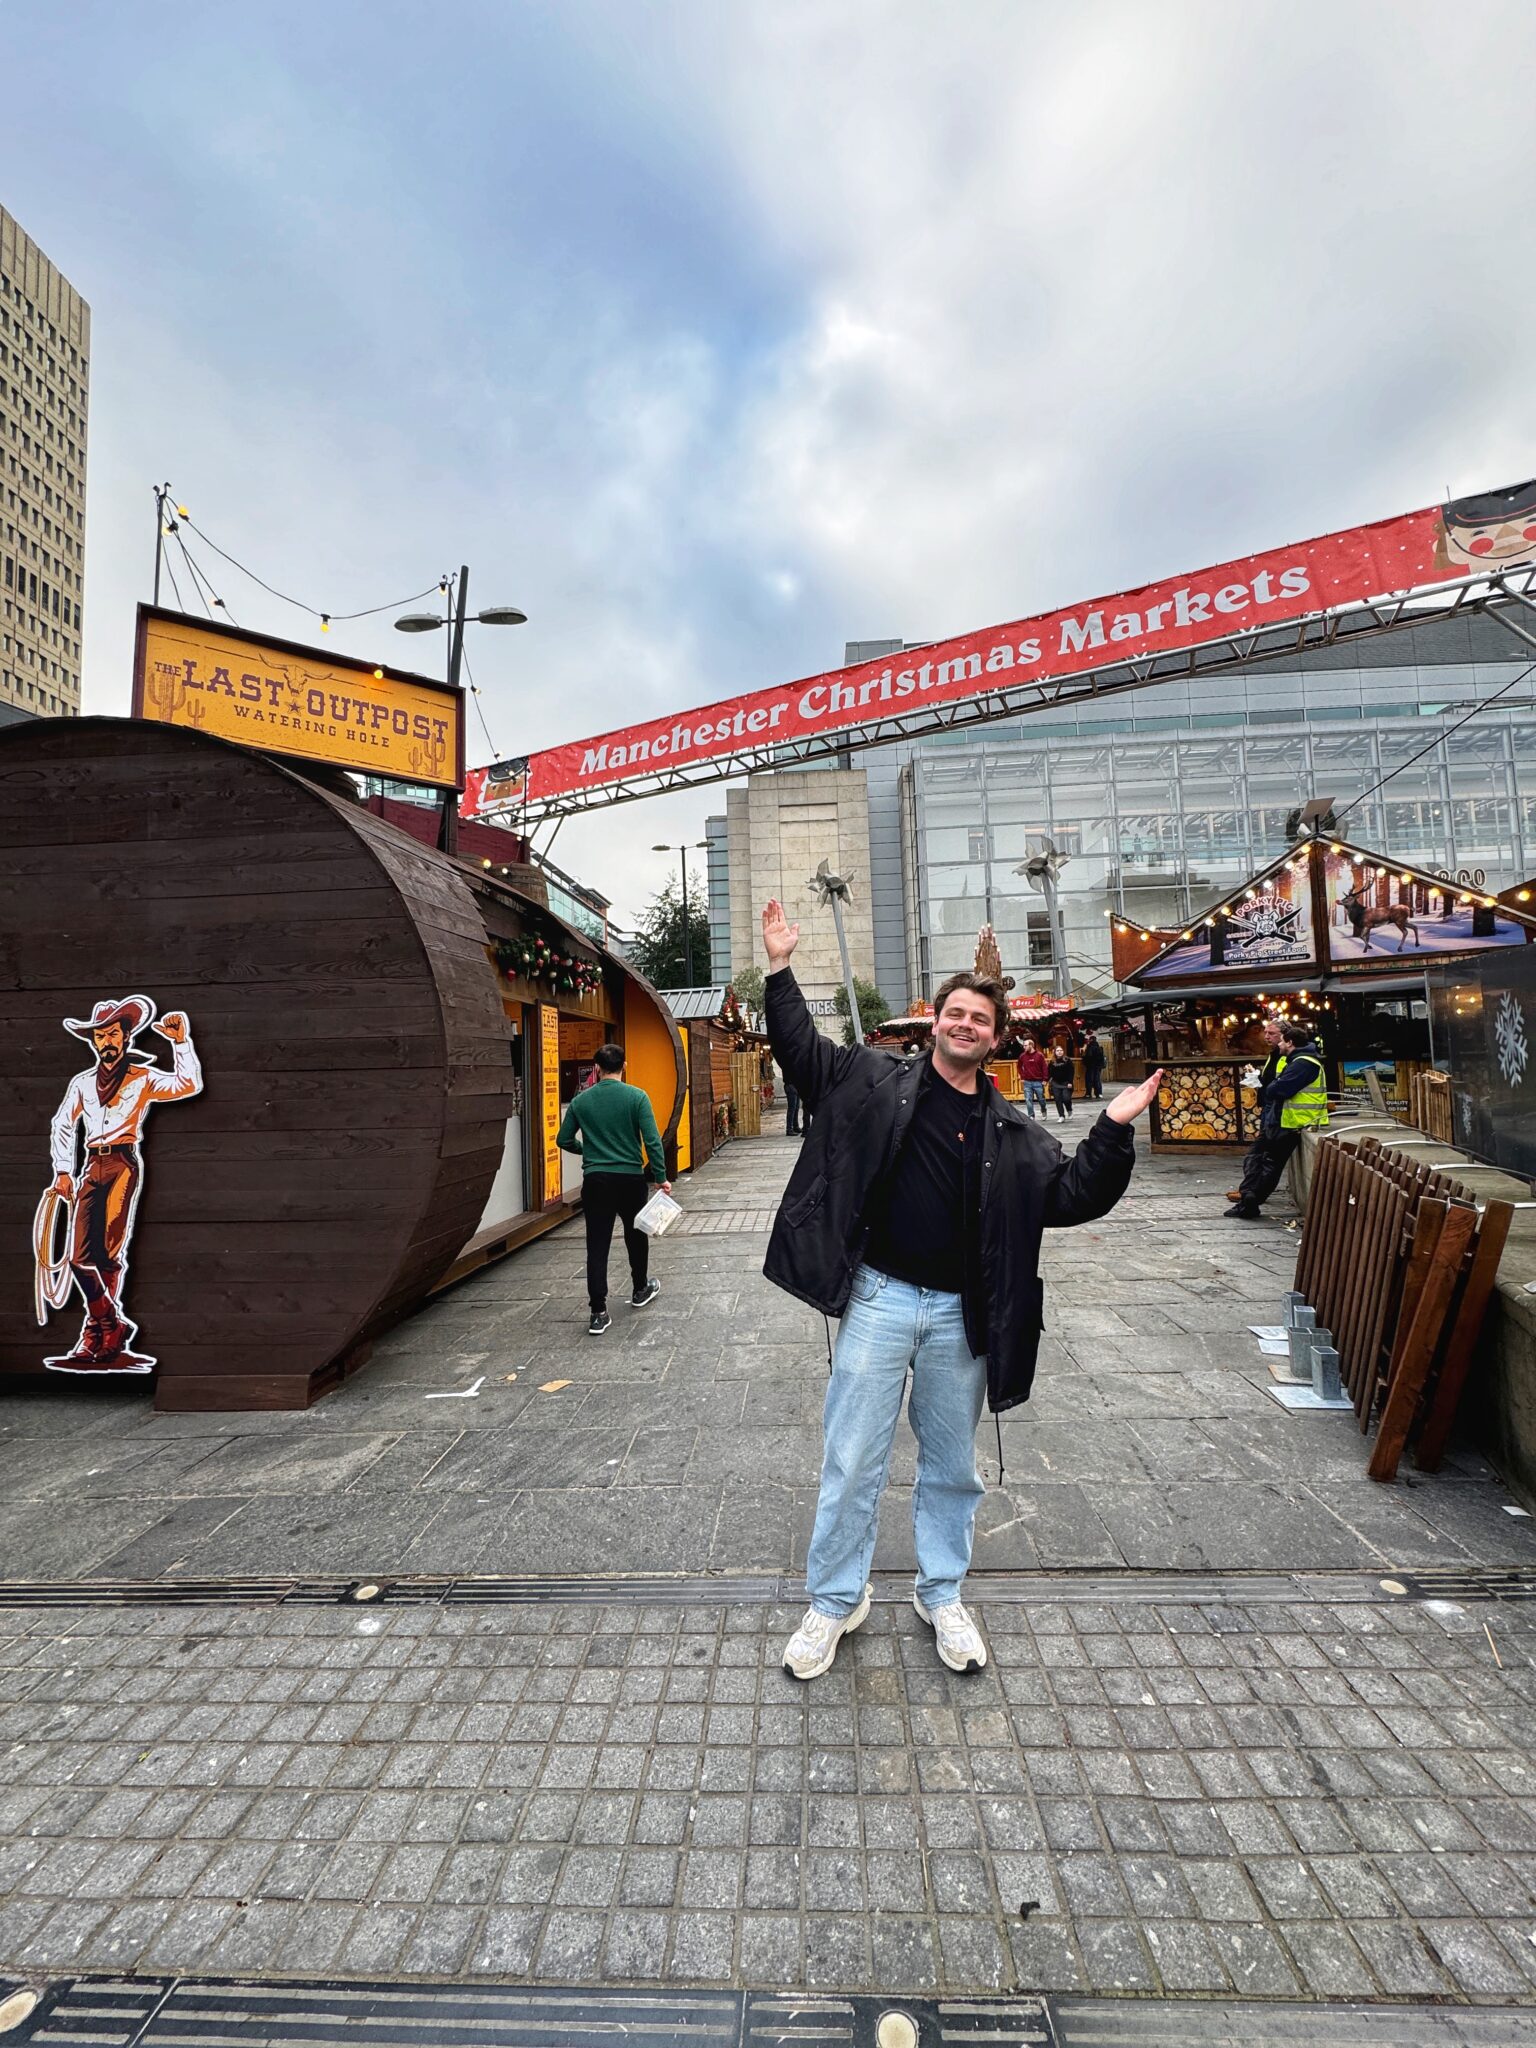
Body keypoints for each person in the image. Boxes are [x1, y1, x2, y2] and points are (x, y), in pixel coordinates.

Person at [759, 898, 1161, 1681]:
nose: (966, 1025)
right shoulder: (872, 1077)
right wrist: (781, 967)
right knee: (851, 1460)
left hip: (960, 1318)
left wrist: (1112, 1128)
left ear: (997, 1036)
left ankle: (941, 1592)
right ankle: (836, 1601)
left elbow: (1071, 1197)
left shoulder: (1018, 1134)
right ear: (934, 1023)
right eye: (956, 1013)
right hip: (877, 1300)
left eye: (981, 1017)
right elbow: (802, 1053)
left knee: (951, 1466)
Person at [557, 1043, 670, 1332]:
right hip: (630, 1178)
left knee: (597, 1244)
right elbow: (652, 1140)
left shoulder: (582, 1101)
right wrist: (660, 1176)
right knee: (636, 1235)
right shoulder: (637, 1097)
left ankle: (598, 1312)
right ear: (625, 1066)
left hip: (596, 1180)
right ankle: (640, 1288)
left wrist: (589, 1150)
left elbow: (563, 1139)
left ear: (596, 1068)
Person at [1225, 1019, 1328, 1219]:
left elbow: (1276, 1089)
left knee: (1269, 1163)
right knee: (1256, 1157)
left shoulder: (1303, 1064)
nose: (1275, 1042)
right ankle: (1248, 1199)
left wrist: (1274, 1085)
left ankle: (1250, 1201)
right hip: (1282, 1119)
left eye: (1280, 1039)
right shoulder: (1295, 1060)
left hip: (1292, 1122)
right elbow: (1272, 1085)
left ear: (1289, 1042)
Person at [1226, 1019, 1285, 1207]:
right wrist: (1257, 1076)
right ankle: (1250, 1190)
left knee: (1262, 1153)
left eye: (1272, 1033)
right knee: (1260, 1152)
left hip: (1277, 1110)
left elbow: (1279, 1084)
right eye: (1265, 1033)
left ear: (1285, 1036)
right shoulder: (1274, 1054)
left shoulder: (1283, 1057)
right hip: (1270, 1107)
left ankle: (1251, 1192)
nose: (1266, 1036)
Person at [1017, 1037, 1048, 1120]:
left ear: (1031, 1045)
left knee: (1041, 1099)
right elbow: (1019, 1066)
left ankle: (1043, 1110)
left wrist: (1045, 1079)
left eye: (1026, 1045)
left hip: (1038, 1081)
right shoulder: (1022, 1056)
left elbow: (1044, 1067)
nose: (1024, 1047)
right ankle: (1031, 1115)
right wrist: (1022, 1076)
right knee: (1028, 1100)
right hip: (1027, 1081)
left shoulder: (1040, 1055)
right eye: (1023, 1045)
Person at [1047, 1043, 1075, 1120]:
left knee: (1066, 1098)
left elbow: (1071, 1071)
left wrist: (1070, 1082)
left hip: (1066, 1083)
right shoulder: (1052, 1062)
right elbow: (1049, 1072)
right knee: (1058, 1099)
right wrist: (1047, 1080)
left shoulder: (1067, 1060)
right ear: (1055, 1052)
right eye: (1058, 1050)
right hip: (1055, 1083)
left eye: (1061, 1050)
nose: (1059, 1052)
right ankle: (1061, 1115)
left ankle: (1069, 1110)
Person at [1081, 1033, 1106, 1101]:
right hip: (1098, 1067)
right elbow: (1102, 1058)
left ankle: (1088, 1093)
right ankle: (1099, 1093)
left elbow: (1088, 1057)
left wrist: (1083, 1059)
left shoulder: (1089, 1047)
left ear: (1091, 1040)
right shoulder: (1099, 1048)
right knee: (1097, 1079)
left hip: (1090, 1066)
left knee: (1089, 1080)